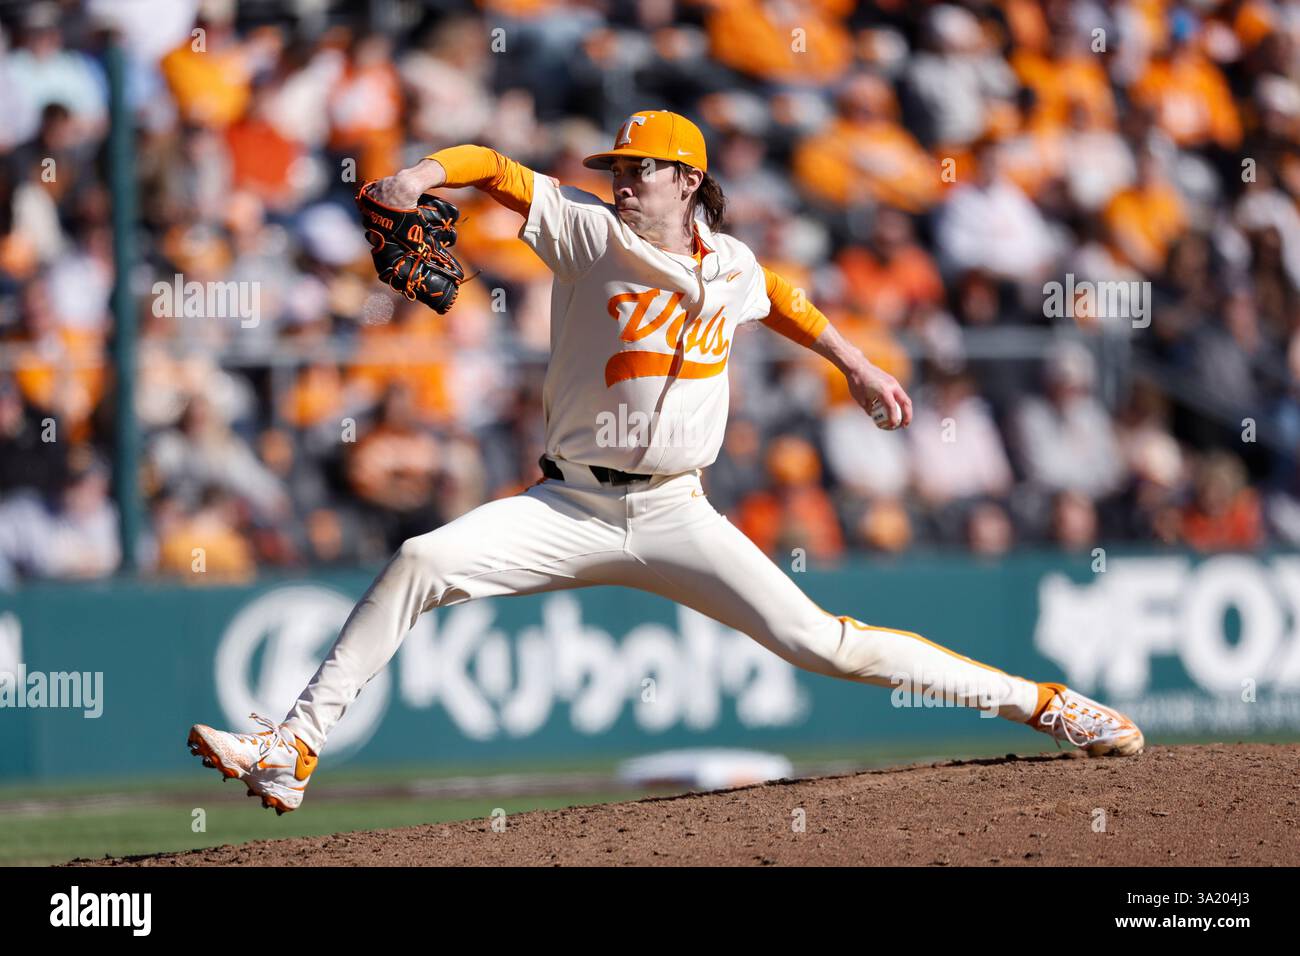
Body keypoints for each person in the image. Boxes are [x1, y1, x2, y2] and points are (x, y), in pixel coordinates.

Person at [188, 110, 1143, 814]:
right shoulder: (583, 228)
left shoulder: (729, 263)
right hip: (568, 506)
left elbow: (781, 299)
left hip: (680, 514)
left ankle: (1047, 705)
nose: (623, 179)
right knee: (420, 561)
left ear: (687, 182)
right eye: (619, 166)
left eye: (641, 169)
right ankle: (294, 748)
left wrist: (855, 363)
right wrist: (417, 176)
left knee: (826, 645)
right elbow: (489, 164)